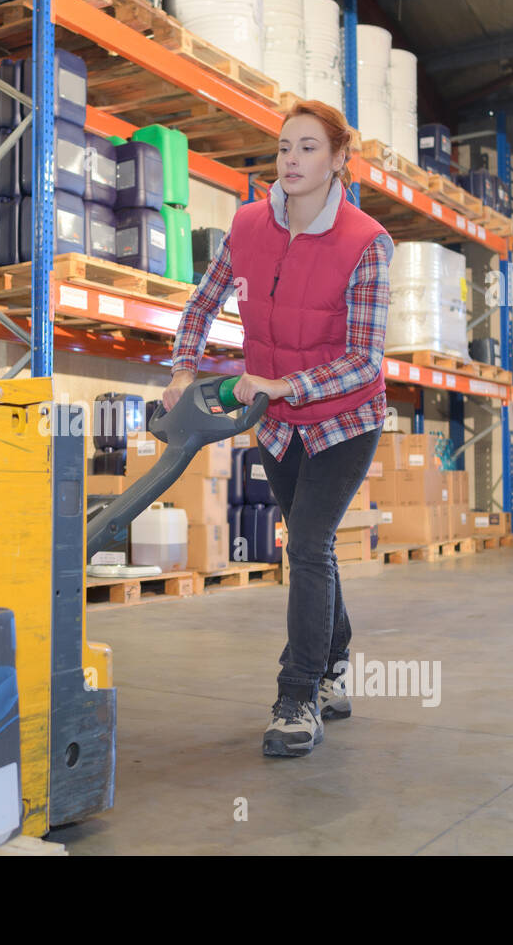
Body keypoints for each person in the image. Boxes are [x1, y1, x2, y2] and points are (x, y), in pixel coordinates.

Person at [164, 100, 393, 758]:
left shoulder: (366, 242)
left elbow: (365, 360)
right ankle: (336, 657)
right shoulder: (246, 226)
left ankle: (298, 698)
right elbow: (201, 303)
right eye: (285, 147)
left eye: (308, 148)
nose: (291, 160)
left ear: (339, 159)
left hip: (344, 419)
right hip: (273, 424)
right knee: (310, 547)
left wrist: (285, 385)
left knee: (312, 543)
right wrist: (184, 368)